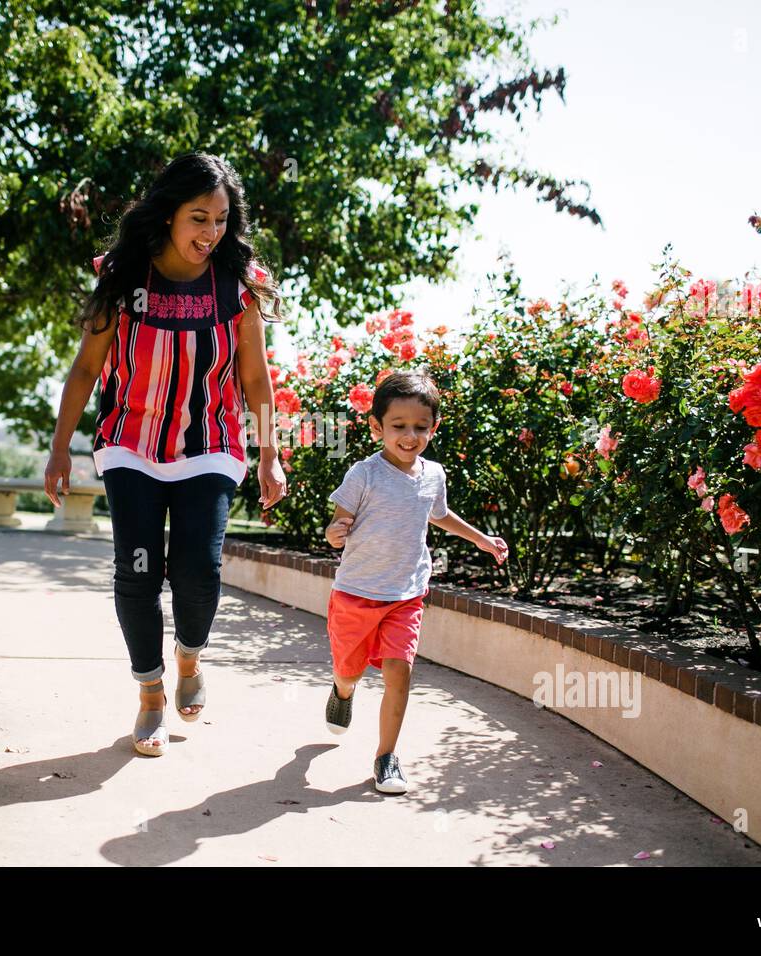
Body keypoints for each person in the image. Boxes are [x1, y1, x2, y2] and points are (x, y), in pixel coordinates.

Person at [45, 152, 287, 757]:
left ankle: (189, 656)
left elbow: (255, 379)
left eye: (221, 220)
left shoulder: (238, 287)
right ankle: (150, 694)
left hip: (211, 442)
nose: (210, 234)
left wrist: (268, 456)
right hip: (131, 443)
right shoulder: (125, 277)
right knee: (138, 569)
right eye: (198, 218)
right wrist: (59, 452)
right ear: (169, 215)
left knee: (199, 571)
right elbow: (84, 371)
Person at [323, 369, 508, 793]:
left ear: (433, 427)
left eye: (420, 428)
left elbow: (438, 514)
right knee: (349, 672)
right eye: (399, 427)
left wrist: (481, 539)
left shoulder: (433, 475)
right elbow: (339, 521)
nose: (410, 436)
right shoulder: (363, 474)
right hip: (356, 593)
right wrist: (335, 532)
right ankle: (342, 690)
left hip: (406, 593)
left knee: (399, 672)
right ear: (376, 427)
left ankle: (386, 757)